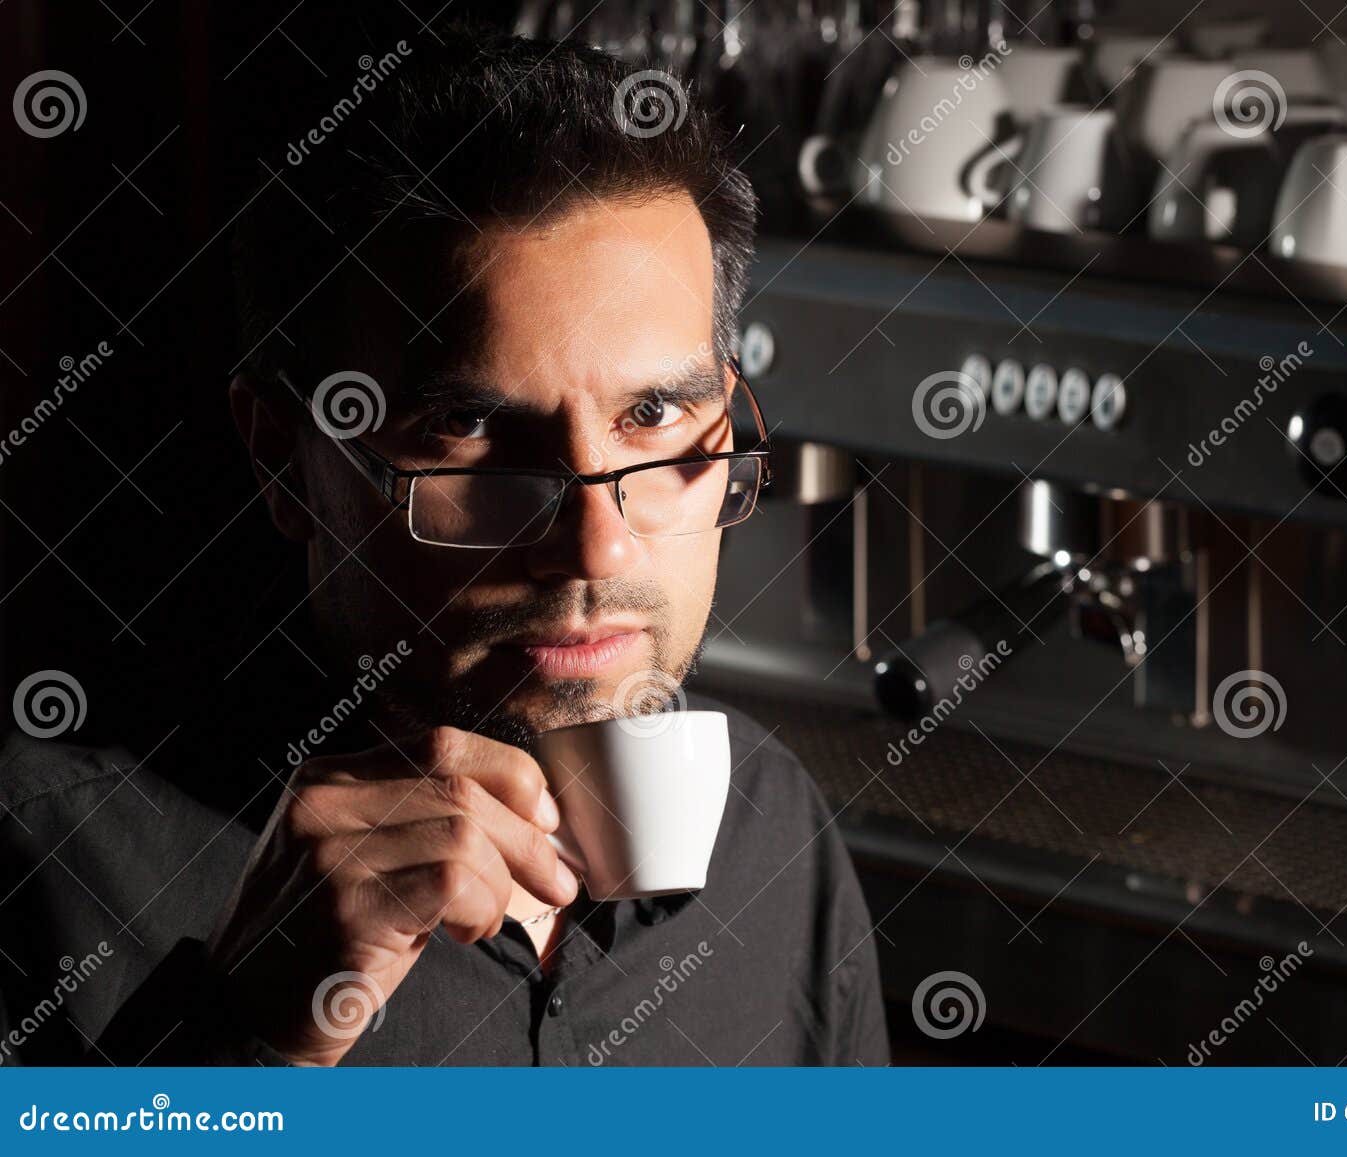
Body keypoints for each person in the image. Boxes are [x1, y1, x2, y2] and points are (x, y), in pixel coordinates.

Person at [0, 24, 888, 1067]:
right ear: (286, 460)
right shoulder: (45, 863)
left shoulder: (771, 833)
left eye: (651, 413)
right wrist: (239, 1042)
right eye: (468, 428)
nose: (596, 548)